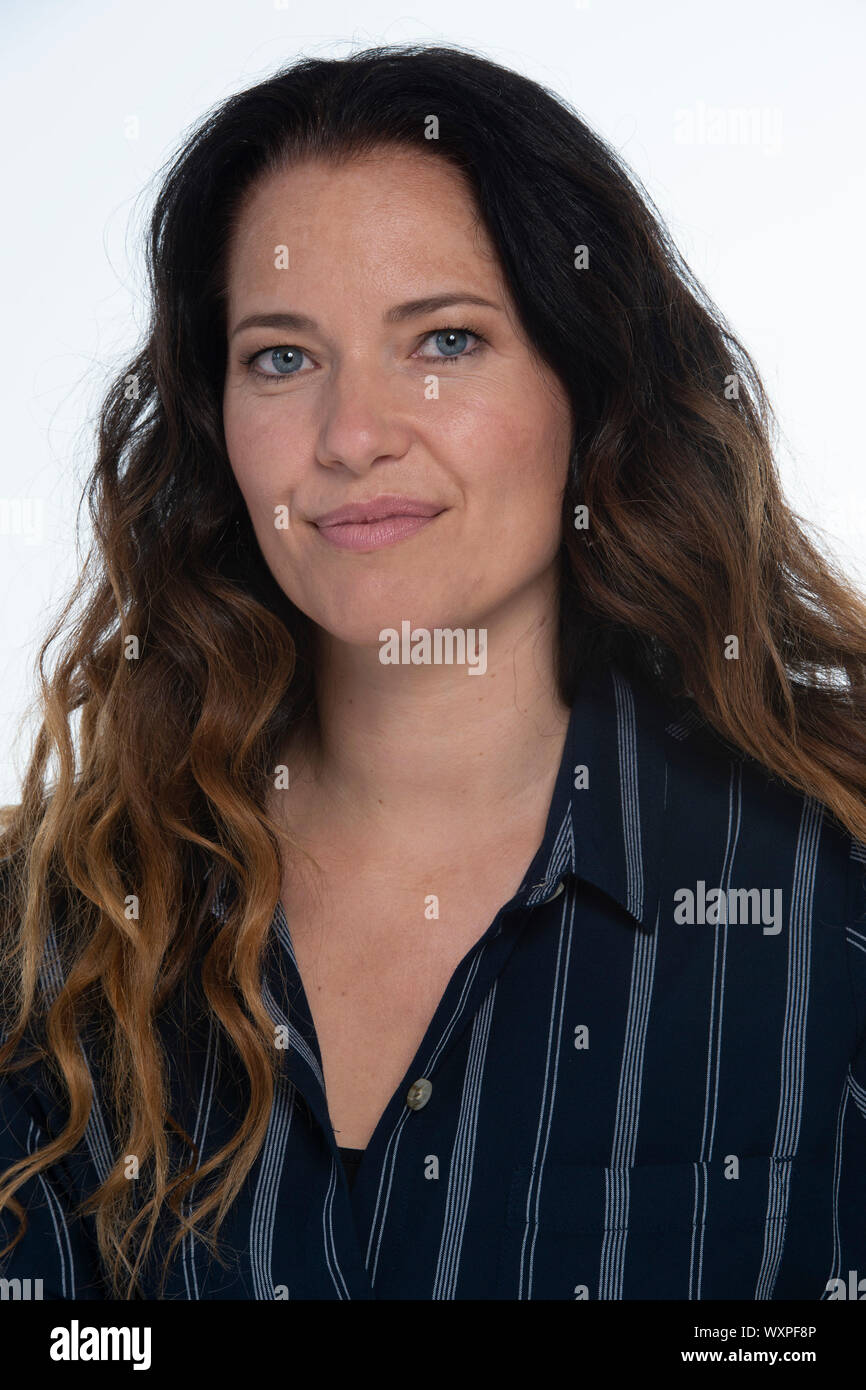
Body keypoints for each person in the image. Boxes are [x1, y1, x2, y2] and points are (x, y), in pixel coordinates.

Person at [1, 42, 865, 1302]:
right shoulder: (54, 930)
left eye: (445, 341)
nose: (352, 436)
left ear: (589, 387)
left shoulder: (827, 895)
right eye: (281, 358)